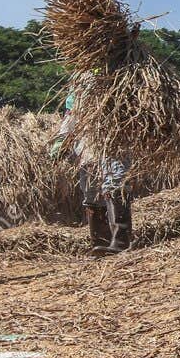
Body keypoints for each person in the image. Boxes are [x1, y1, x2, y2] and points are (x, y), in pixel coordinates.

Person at [56, 80, 132, 255]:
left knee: (115, 183)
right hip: (87, 143)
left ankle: (120, 242)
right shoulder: (80, 82)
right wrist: (61, 141)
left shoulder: (120, 75)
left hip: (115, 139)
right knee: (91, 192)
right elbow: (71, 113)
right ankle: (100, 243)